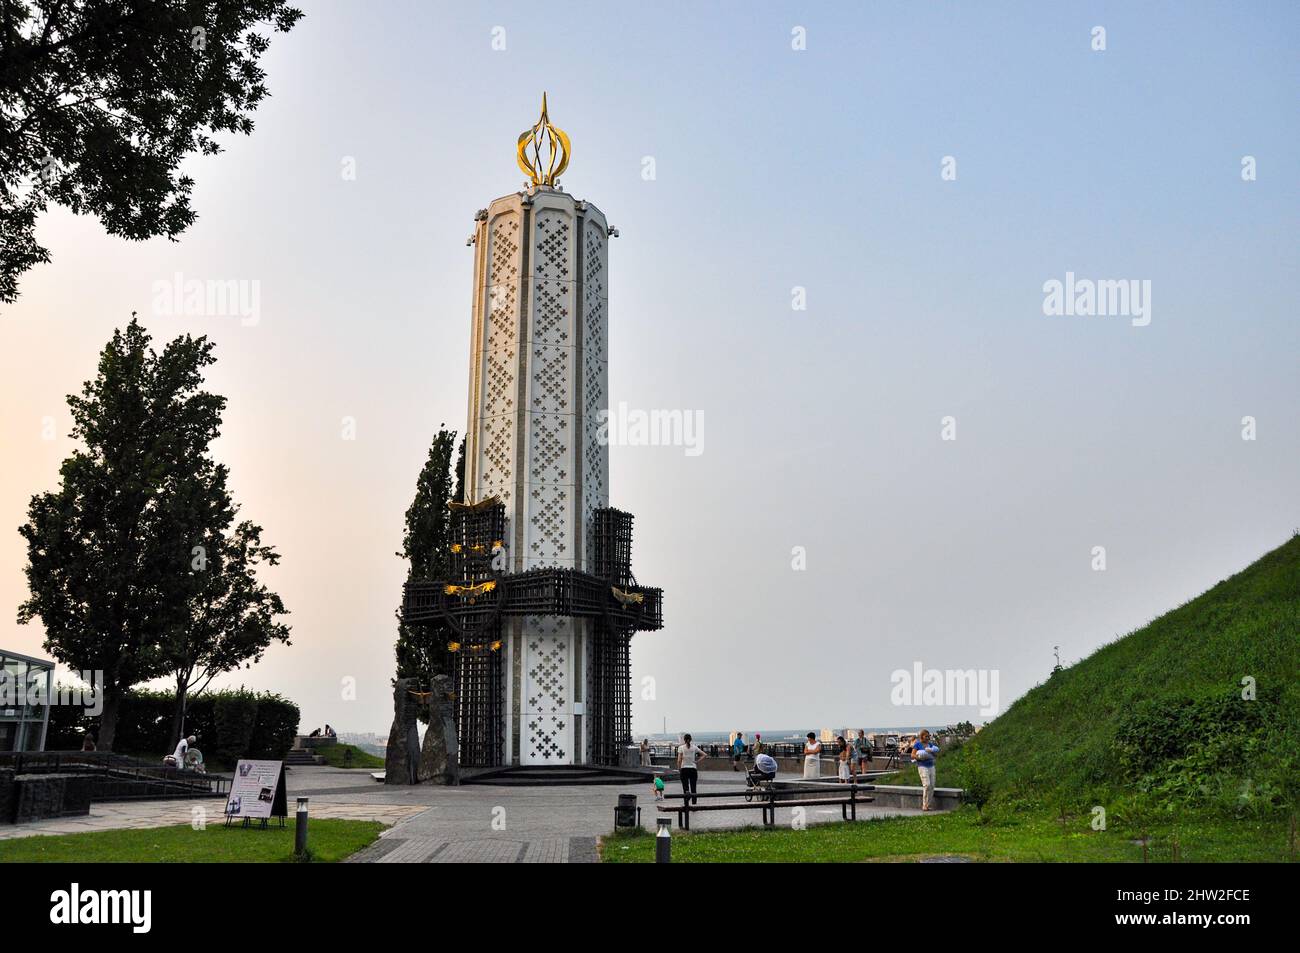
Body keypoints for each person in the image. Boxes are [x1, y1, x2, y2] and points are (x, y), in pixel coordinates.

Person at [911, 729, 940, 811]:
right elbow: (912, 755)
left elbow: (935, 755)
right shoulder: (917, 744)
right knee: (927, 784)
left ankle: (928, 805)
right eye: (926, 736)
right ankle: (924, 805)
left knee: (932, 785)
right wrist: (919, 757)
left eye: (928, 736)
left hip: (931, 766)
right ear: (922, 736)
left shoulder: (930, 745)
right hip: (922, 766)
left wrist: (932, 751)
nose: (927, 738)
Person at [677, 733, 705, 805]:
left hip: (684, 769)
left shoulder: (681, 748)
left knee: (685, 788)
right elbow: (704, 754)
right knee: (693, 787)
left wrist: (679, 768)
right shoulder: (694, 747)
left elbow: (679, 760)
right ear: (691, 739)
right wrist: (697, 761)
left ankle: (686, 803)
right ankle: (694, 803)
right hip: (693, 769)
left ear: (684, 740)